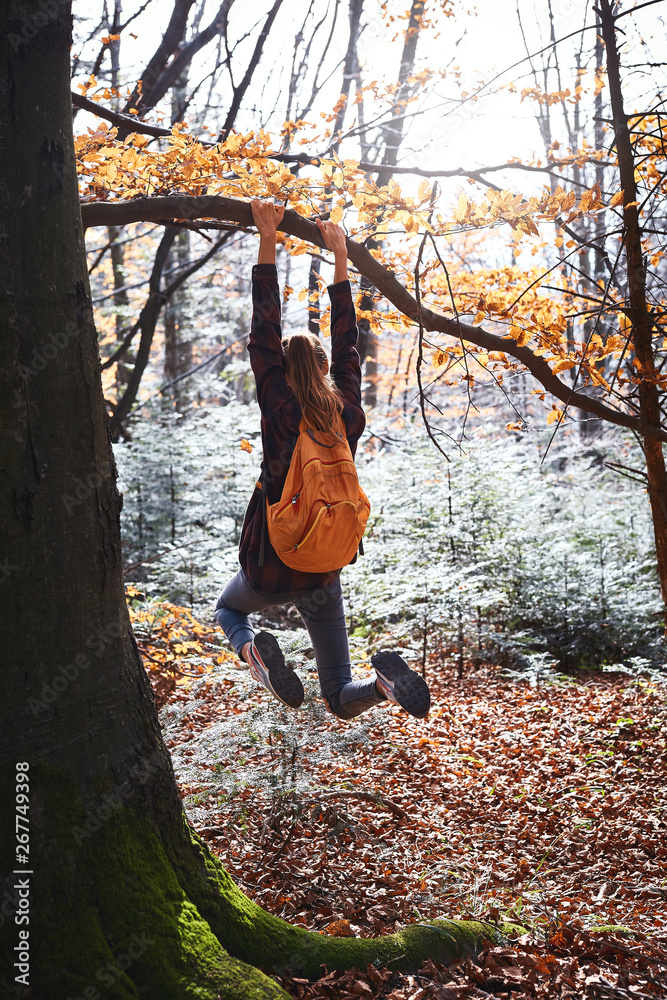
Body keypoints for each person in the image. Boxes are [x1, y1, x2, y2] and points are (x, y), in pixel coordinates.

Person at [214, 199, 430, 721]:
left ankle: (256, 657)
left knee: (227, 608)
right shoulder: (347, 415)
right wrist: (340, 257)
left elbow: (262, 333)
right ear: (325, 369)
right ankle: (381, 686)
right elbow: (348, 341)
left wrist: (267, 237)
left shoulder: (282, 412)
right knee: (337, 695)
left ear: (283, 371)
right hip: (323, 567)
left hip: (270, 564)